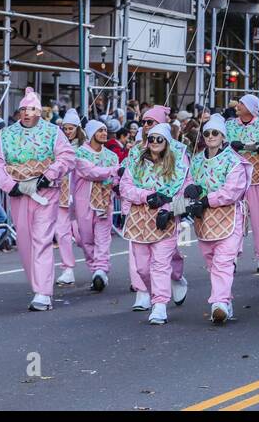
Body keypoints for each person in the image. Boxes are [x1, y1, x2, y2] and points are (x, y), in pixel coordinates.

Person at [0, 88, 77, 311]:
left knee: (42, 238)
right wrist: (12, 186)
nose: (27, 113)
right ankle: (37, 285)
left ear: (40, 111)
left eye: (32, 109)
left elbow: (67, 156)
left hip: (45, 192)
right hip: (19, 193)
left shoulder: (53, 132)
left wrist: (48, 176)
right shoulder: (7, 134)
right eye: (23, 109)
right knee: (25, 242)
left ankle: (43, 293)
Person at [118, 123, 190, 325]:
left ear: (167, 142)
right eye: (151, 139)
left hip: (164, 221)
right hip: (138, 221)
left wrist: (169, 210)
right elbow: (125, 187)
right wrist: (147, 196)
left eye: (160, 139)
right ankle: (155, 294)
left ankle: (160, 305)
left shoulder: (179, 165)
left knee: (160, 264)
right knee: (142, 269)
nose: (155, 142)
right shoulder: (137, 162)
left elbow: (185, 194)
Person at [182, 113, 250, 324]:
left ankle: (218, 303)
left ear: (223, 136)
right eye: (207, 133)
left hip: (230, 217)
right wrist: (190, 189)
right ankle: (226, 302)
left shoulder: (234, 161)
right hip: (205, 221)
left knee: (223, 261)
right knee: (212, 262)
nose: (210, 136)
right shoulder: (197, 160)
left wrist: (207, 200)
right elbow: (187, 181)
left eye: (215, 133)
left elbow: (232, 191)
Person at [224, 94, 259, 274]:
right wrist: (231, 146)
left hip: (257, 178)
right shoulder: (229, 125)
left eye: (241, 103)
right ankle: (232, 255)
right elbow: (220, 145)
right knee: (233, 217)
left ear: (251, 107)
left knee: (258, 217)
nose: (237, 105)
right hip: (234, 178)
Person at [70, 119, 120, 292]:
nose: (104, 133)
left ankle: (100, 270)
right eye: (100, 131)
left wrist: (114, 177)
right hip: (84, 203)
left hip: (105, 204)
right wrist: (113, 171)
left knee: (103, 238)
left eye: (105, 130)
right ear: (91, 133)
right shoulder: (80, 154)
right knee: (85, 240)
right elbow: (90, 172)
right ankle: (96, 271)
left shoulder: (111, 156)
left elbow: (116, 180)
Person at [53, 109, 85, 286]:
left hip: (79, 195)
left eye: (71, 128)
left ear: (77, 129)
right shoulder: (57, 146)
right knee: (62, 232)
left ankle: (97, 265)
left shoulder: (84, 147)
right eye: (65, 128)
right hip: (61, 195)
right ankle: (68, 269)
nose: (67, 131)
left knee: (82, 235)